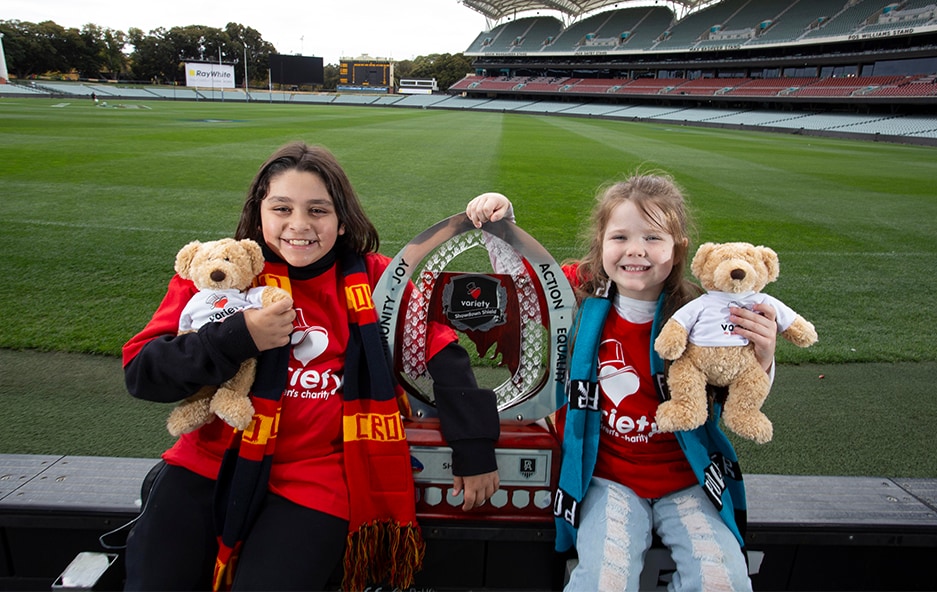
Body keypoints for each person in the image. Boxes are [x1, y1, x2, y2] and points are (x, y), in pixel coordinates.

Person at [123, 141, 501, 591]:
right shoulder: (221, 272)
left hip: (313, 477)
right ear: (258, 213)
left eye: (318, 211)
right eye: (281, 208)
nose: (299, 225)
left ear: (342, 220)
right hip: (209, 463)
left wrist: (474, 445)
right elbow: (142, 374)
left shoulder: (377, 277)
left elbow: (442, 350)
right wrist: (237, 336)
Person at [467, 175, 778, 592]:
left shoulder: (703, 313)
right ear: (600, 243)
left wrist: (763, 357)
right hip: (606, 477)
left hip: (686, 478)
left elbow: (735, 391)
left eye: (653, 237)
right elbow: (527, 288)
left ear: (678, 247)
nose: (635, 250)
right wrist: (503, 223)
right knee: (602, 582)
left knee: (724, 581)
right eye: (620, 236)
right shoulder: (579, 293)